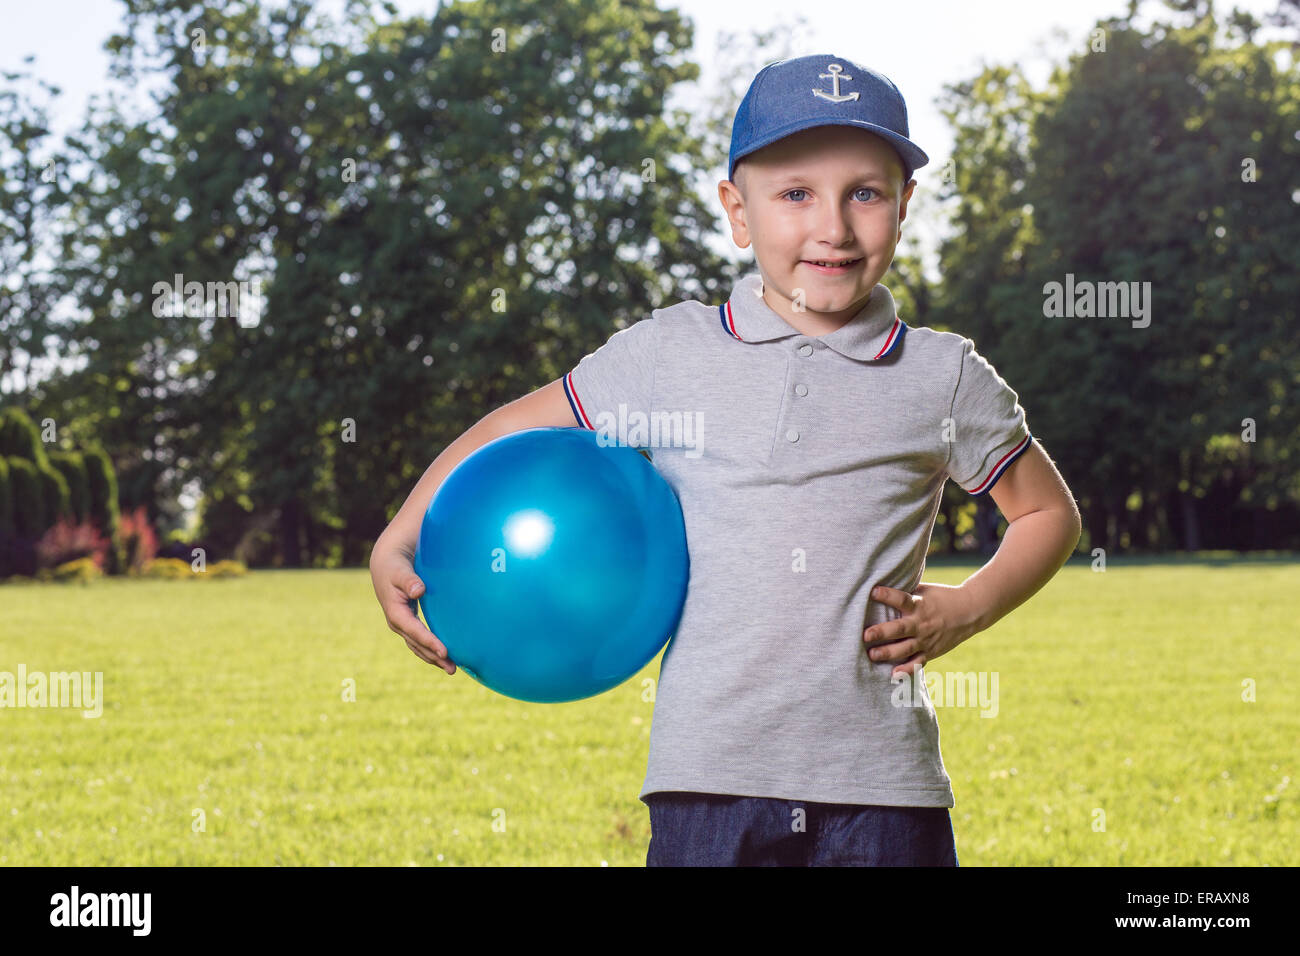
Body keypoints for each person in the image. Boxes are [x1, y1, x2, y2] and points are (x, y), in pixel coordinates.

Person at [369, 53, 1082, 866]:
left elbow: (1048, 513)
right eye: (794, 194)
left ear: (905, 204)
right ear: (737, 211)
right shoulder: (666, 355)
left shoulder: (942, 375)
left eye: (866, 192)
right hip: (705, 781)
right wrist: (400, 533)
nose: (834, 227)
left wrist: (968, 607)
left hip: (883, 791)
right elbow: (509, 430)